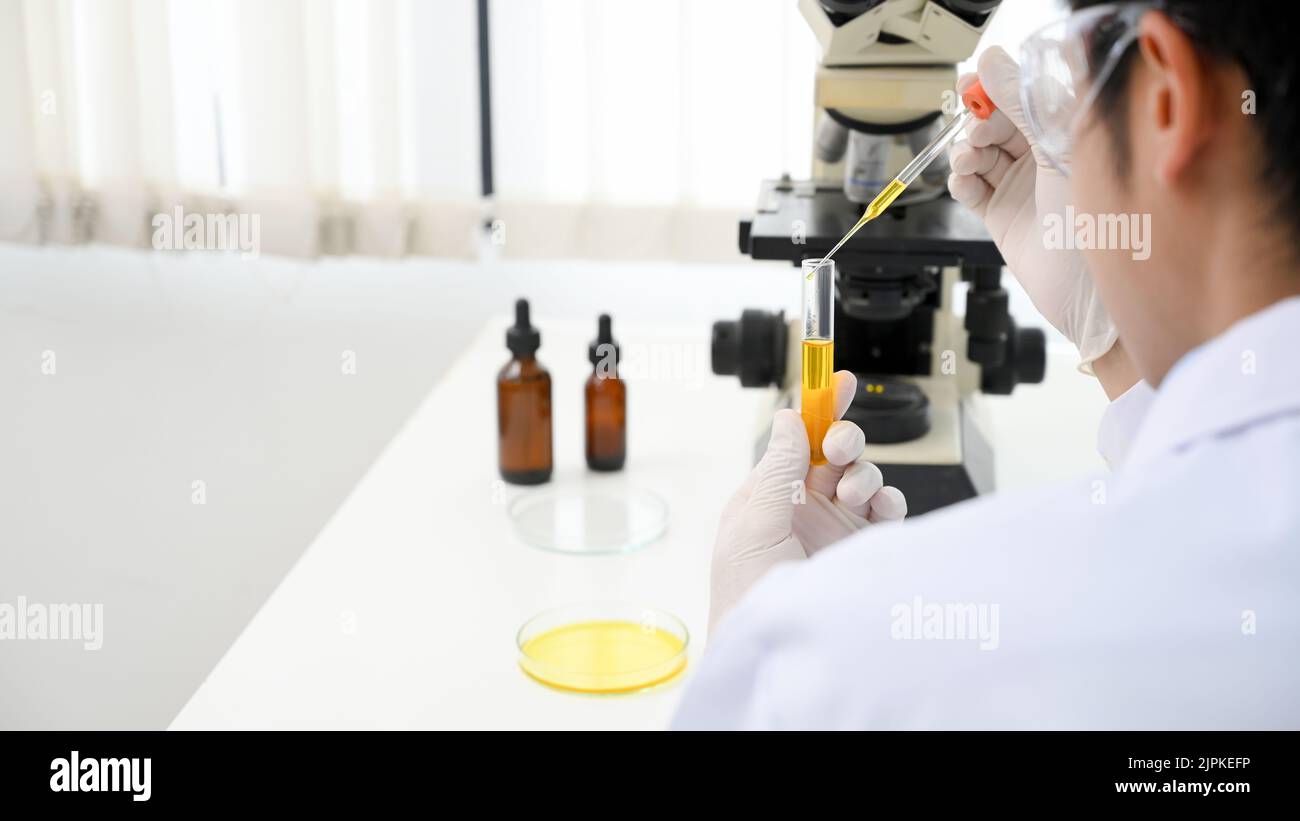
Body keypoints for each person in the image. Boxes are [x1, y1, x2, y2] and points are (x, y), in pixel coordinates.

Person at [674, 0, 1300, 729]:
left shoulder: (870, 663)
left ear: (1167, 98)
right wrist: (1117, 353)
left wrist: (761, 638)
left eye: (1072, 83)